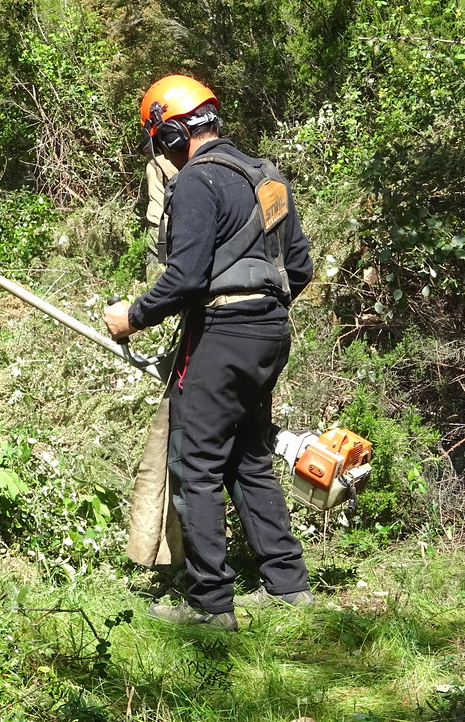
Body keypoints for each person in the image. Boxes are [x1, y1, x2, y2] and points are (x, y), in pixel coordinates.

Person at [103, 74, 315, 631]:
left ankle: (211, 606)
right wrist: (262, 309)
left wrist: (132, 317)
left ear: (172, 133)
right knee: (248, 456)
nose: (162, 155)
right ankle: (289, 586)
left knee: (195, 463)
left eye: (159, 141)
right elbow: (300, 268)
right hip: (272, 332)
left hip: (221, 333)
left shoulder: (198, 181)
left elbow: (185, 277)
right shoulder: (267, 178)